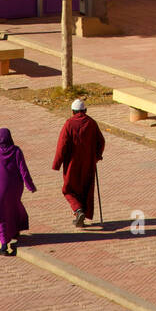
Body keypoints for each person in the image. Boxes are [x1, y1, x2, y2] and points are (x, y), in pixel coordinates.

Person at [52, 97, 105, 227]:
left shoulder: (69, 124)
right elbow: (101, 141)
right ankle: (80, 216)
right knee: (85, 189)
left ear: (73, 111)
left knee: (68, 189)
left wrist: (57, 164)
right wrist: (97, 156)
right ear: (85, 110)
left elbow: (62, 145)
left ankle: (78, 210)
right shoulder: (92, 123)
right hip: (88, 164)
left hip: (72, 164)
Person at [0, 127, 36, 257]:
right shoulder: (16, 151)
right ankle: (15, 230)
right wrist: (30, 186)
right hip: (14, 188)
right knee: (13, 208)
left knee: (0, 215)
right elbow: (23, 170)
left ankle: (4, 243)